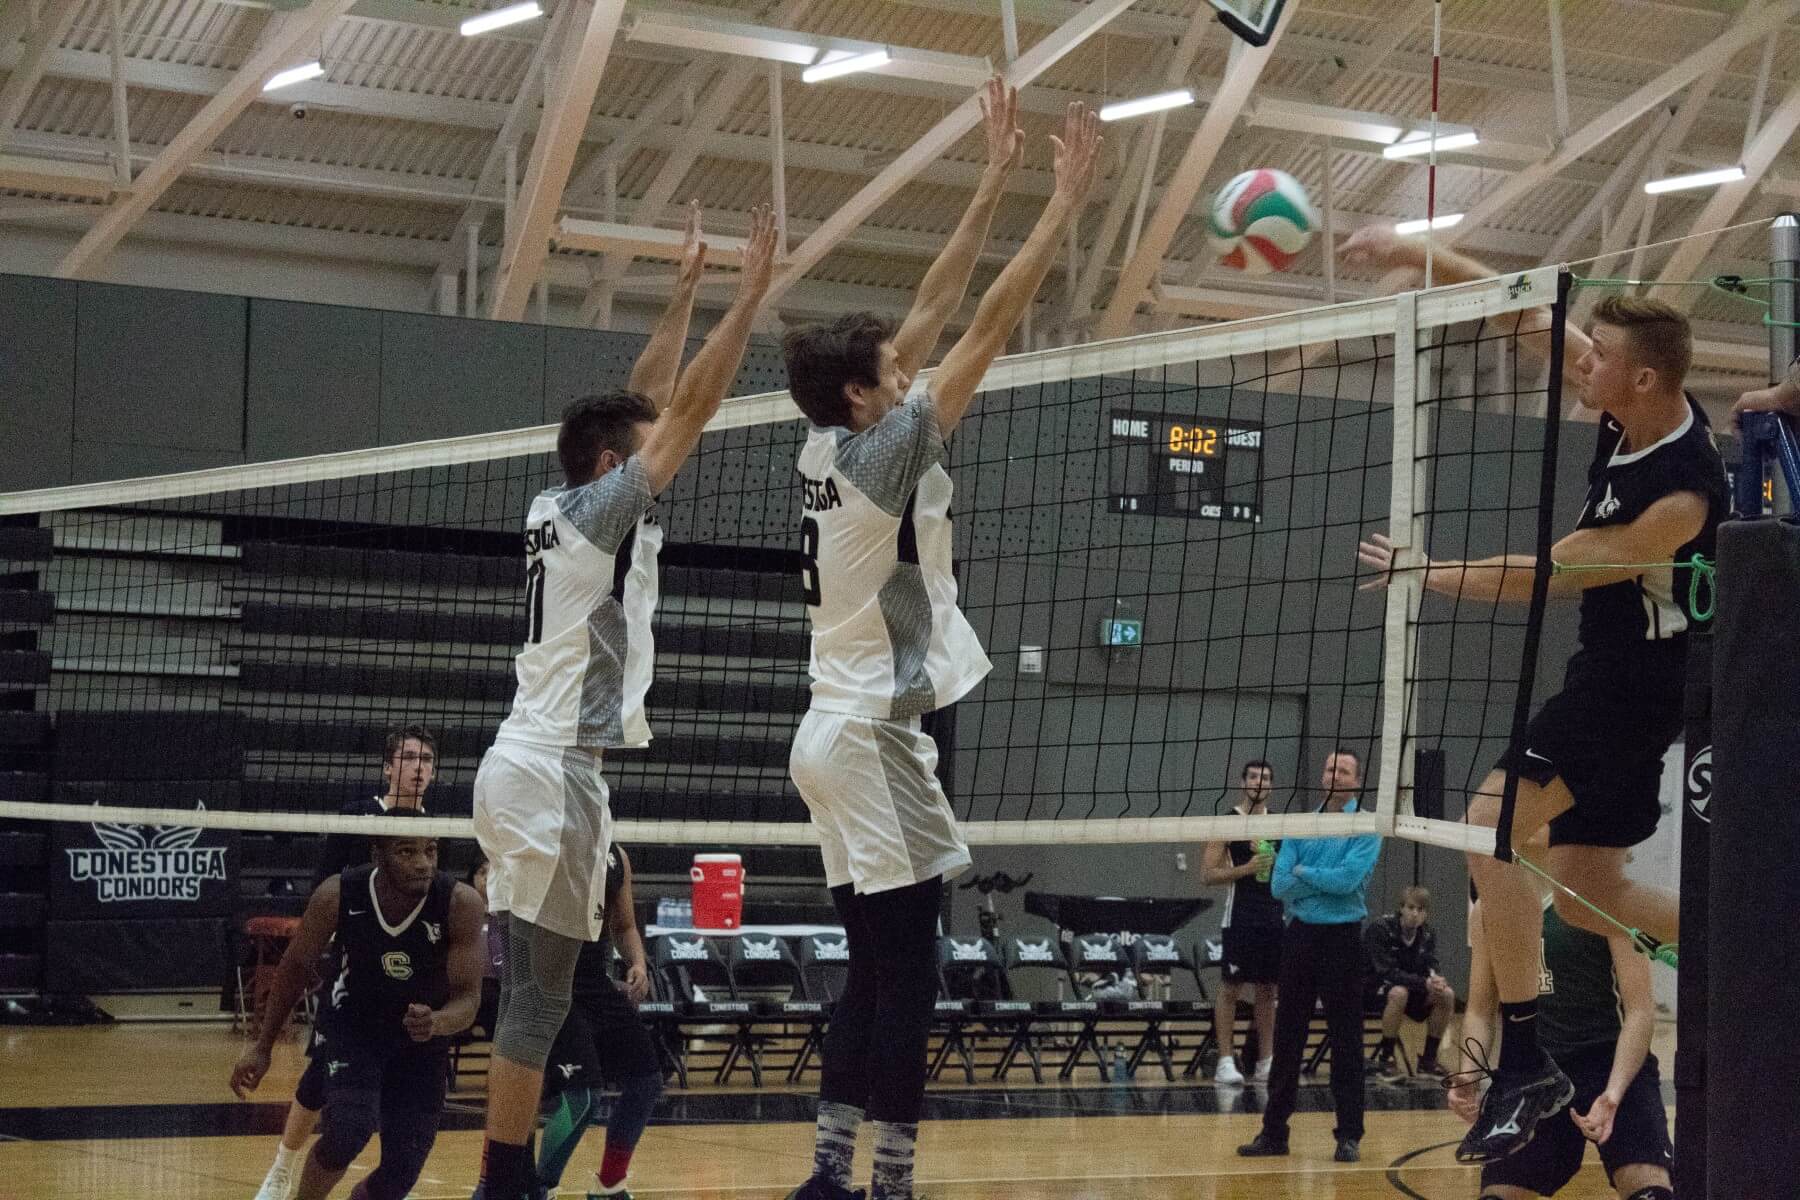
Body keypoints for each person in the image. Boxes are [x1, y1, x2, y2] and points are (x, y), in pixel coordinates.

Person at [779, 81, 1100, 1200]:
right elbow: (986, 328)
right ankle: (890, 1181)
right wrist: (1062, 207)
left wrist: (995, 177)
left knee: (873, 971)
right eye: (892, 374)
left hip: (828, 731)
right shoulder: (884, 452)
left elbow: (931, 304)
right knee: (910, 973)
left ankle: (832, 1172)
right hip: (873, 736)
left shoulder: (824, 445)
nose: (908, 372)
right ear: (864, 398)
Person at [1347, 228, 1728, 1161]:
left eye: (1603, 358)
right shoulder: (1628, 407)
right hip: (1615, 680)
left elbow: (1549, 575)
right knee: (1592, 894)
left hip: (1632, 689)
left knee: (1490, 828)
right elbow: (1532, 316)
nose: (1584, 365)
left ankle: (1524, 1058)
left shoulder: (1682, 493)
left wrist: (1427, 573)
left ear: (1644, 378)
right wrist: (1421, 255)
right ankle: (1751, 944)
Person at [470, 205, 777, 1200]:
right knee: (538, 999)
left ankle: (505, 1180)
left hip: (520, 763)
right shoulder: (605, 512)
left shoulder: (558, 507)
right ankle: (502, 1186)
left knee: (535, 993)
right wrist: (748, 299)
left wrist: (683, 292)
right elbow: (688, 410)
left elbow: (647, 398)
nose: (664, 466)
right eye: (643, 456)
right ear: (613, 468)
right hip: (556, 772)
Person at [231, 811, 486, 1200]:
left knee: (401, 1172)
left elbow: (468, 998)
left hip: (422, 1041)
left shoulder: (460, 902)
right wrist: (262, 1046)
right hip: (354, 1028)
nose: (423, 863)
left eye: (431, 850)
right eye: (407, 851)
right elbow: (295, 967)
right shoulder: (339, 894)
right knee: (348, 1130)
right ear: (378, 854)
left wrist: (437, 1021)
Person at [252, 724, 438, 1200]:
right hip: (350, 966)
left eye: (426, 760)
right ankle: (282, 1167)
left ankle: (388, 1168)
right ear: (387, 767)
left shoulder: (437, 828)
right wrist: (324, 947)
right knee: (319, 1074)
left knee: (385, 1080)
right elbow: (325, 885)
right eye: (409, 758)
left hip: (405, 969)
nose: (418, 768)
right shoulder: (358, 817)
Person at [1454, 890, 1672, 1200]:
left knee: (1649, 1191)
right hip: (1536, 1073)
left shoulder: (1604, 893)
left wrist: (1613, 1094)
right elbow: (1480, 1010)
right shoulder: (1490, 908)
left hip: (1611, 1062)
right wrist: (1468, 1074)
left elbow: (1640, 1011)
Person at [1237, 749, 1381, 1165]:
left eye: (1344, 770)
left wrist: (1303, 873)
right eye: (1331, 767)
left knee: (1346, 1039)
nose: (1335, 774)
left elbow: (1347, 881)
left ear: (1356, 780)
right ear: (1322, 775)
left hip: (1343, 938)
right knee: (1287, 1037)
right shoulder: (1301, 822)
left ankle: (1349, 1135)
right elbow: (1279, 885)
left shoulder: (1367, 825)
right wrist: (1314, 880)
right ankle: (1273, 1133)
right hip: (1300, 936)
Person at [534, 843, 662, 1200]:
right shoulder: (547, 840)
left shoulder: (615, 854)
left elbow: (625, 925)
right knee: (583, 1097)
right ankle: (539, 1187)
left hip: (595, 982)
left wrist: (638, 964)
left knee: (647, 1080)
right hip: (553, 984)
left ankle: (609, 1186)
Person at [1200, 759, 1280, 1085]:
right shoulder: (1228, 822)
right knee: (1231, 988)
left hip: (1272, 916)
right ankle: (1224, 1061)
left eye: (1265, 778)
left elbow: (1288, 869)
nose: (1259, 782)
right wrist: (1247, 868)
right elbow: (1207, 875)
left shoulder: (1280, 823)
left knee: (1267, 990)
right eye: (1254, 777)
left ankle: (1266, 1061)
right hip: (1240, 917)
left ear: (1271, 785)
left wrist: (1273, 859)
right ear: (1243, 782)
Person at [1364, 885, 1454, 1079]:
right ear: (1401, 908)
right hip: (1373, 990)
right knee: (1399, 992)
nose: (1415, 914)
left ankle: (1428, 1060)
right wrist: (1424, 983)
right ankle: (1386, 1059)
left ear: (1426, 913)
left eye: (1420, 909)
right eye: (1411, 908)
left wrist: (1437, 978)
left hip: (1412, 990)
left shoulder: (1427, 934)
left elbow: (1432, 962)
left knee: (1446, 994)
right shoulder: (1380, 929)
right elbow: (1387, 972)